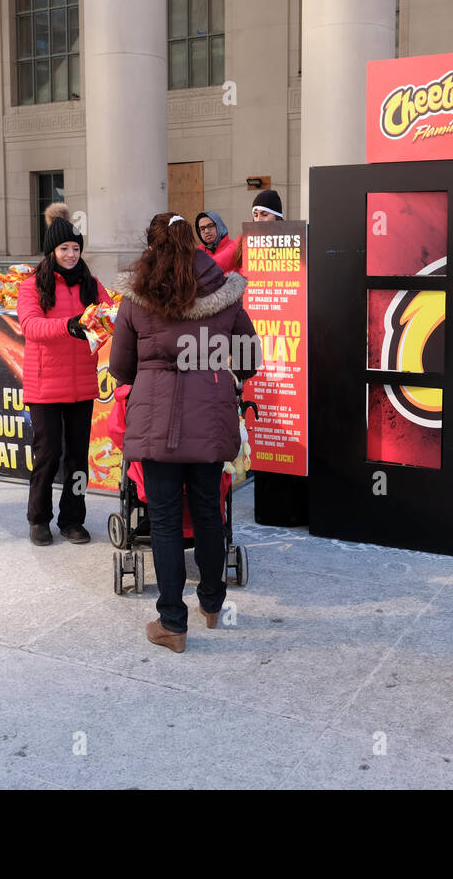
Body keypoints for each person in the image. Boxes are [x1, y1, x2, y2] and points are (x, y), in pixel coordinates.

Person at [110, 213, 260, 653]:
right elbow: (249, 357)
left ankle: (172, 624)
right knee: (210, 512)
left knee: (164, 521)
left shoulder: (137, 297)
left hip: (156, 423)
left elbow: (120, 366)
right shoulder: (225, 294)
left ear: (152, 247)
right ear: (195, 244)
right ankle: (212, 604)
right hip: (210, 417)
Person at [18, 215, 108, 546]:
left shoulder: (92, 284)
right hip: (45, 386)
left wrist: (108, 320)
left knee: (77, 458)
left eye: (75, 248)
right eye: (64, 248)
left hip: (82, 384)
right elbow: (30, 327)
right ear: (51, 250)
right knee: (48, 454)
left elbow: (108, 315)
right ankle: (38, 518)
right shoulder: (32, 286)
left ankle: (74, 518)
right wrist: (68, 325)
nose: (71, 254)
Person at [211, 188, 284, 275]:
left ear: (277, 217)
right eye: (255, 215)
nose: (258, 220)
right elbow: (223, 259)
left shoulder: (293, 240)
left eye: (264, 214)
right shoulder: (245, 238)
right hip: (247, 287)